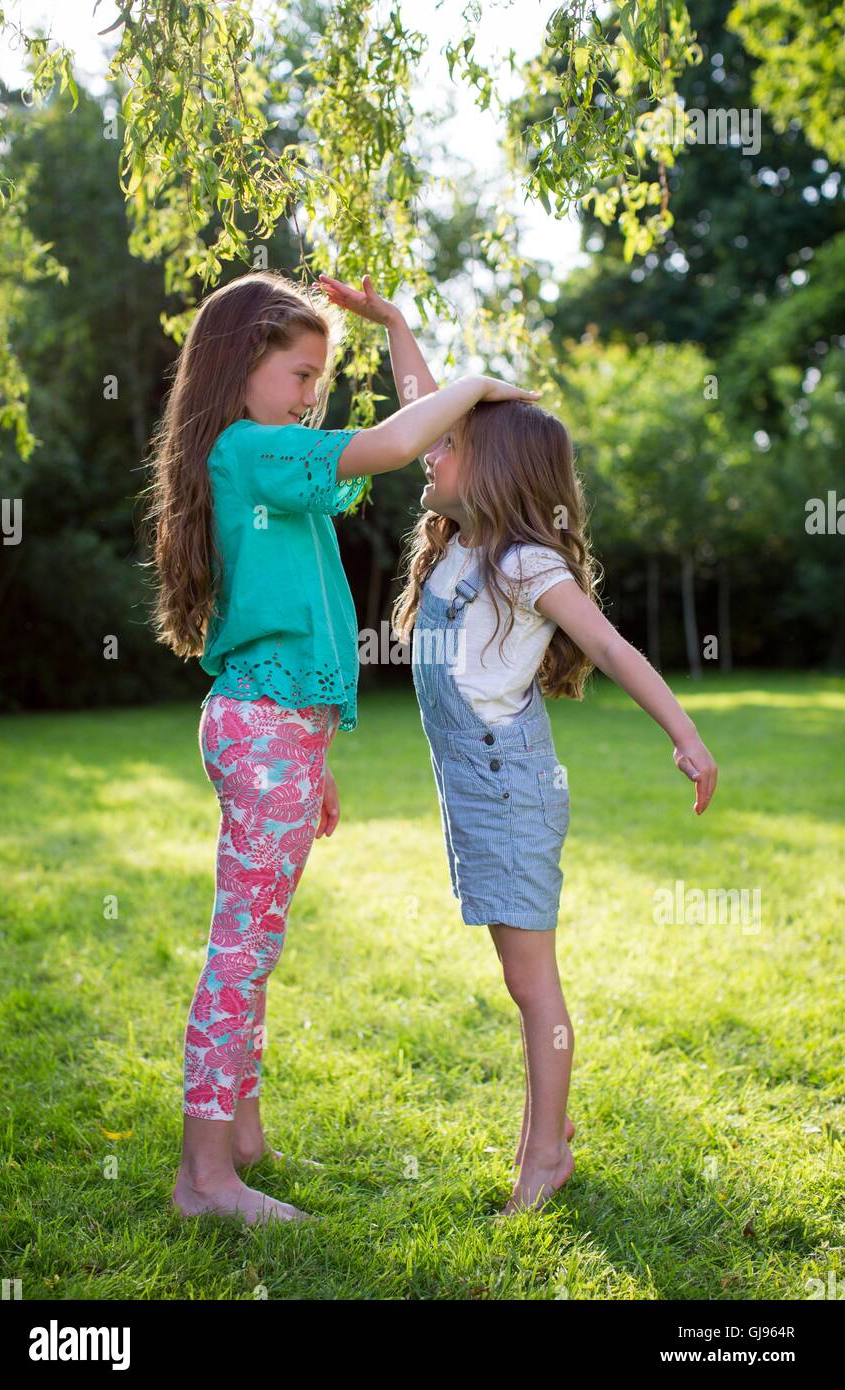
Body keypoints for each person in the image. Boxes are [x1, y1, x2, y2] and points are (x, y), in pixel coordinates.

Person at [139, 268, 542, 1226]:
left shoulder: (265, 460)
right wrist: (479, 382)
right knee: (240, 953)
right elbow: (402, 443)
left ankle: (241, 1141)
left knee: (255, 946)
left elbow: (405, 439)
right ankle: (204, 1181)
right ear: (241, 366)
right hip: (264, 730)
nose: (311, 395)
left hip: (280, 735)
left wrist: (399, 325)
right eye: (301, 374)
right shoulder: (252, 452)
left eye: (319, 378)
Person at [319, 272, 719, 1216]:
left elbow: (611, 645)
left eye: (449, 447)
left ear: (492, 471)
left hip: (510, 790)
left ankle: (545, 1155)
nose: (427, 451)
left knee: (532, 987)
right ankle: (553, 1127)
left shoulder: (522, 561)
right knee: (518, 978)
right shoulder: (458, 540)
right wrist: (394, 323)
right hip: (480, 791)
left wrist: (686, 734)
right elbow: (422, 407)